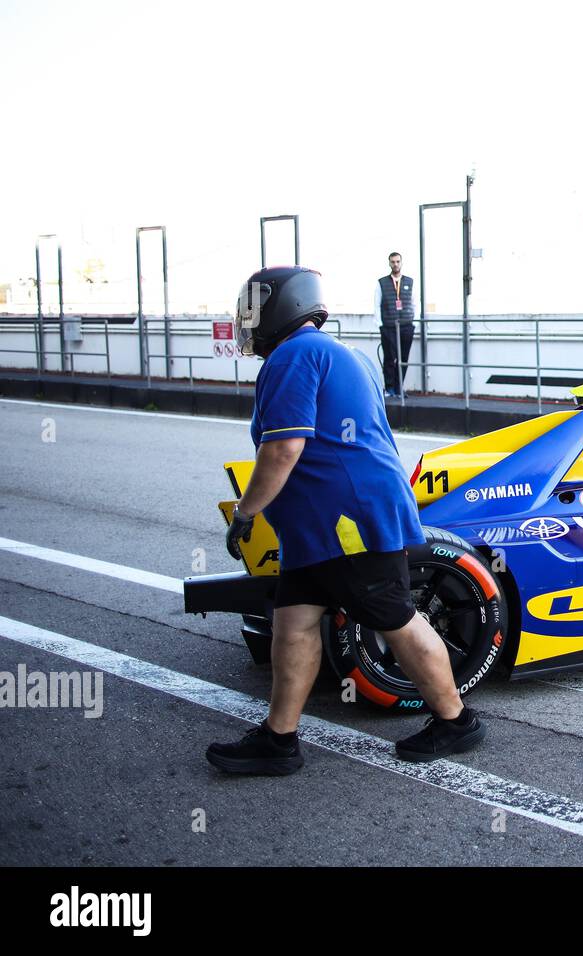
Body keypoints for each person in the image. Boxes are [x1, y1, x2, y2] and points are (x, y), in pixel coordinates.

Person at [207, 265, 484, 775]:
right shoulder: (341, 352)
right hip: (325, 525)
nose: (248, 319)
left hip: (346, 524)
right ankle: (279, 740)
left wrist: (246, 513)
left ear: (281, 307)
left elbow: (284, 447)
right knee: (293, 624)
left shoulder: (293, 355)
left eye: (255, 307)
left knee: (395, 619)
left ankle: (457, 720)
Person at [373, 251, 415, 397]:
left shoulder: (410, 282)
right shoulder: (382, 282)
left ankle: (399, 388)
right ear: (389, 263)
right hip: (388, 326)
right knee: (390, 358)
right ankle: (389, 388)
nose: (395, 264)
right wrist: (380, 324)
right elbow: (376, 304)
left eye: (398, 261)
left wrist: (412, 320)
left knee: (403, 358)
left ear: (401, 263)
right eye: (393, 262)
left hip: (406, 325)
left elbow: (415, 303)